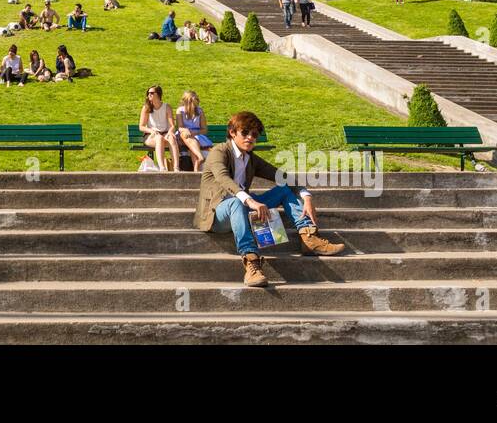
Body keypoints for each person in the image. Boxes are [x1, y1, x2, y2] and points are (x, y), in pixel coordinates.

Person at [194, 110, 345, 287]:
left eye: (254, 134)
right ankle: (251, 262)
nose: (250, 137)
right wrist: (249, 200)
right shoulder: (219, 152)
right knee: (237, 202)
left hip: (245, 208)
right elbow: (223, 178)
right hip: (217, 213)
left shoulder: (250, 158)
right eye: (245, 133)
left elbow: (281, 176)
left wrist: (306, 195)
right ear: (232, 132)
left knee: (283, 190)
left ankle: (309, 237)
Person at [139, 85, 180, 171]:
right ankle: (162, 168)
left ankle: (176, 167)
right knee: (159, 138)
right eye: (148, 93)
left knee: (172, 138)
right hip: (150, 136)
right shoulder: (146, 107)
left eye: (151, 93)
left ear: (158, 94)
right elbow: (141, 127)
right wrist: (151, 130)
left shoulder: (166, 107)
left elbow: (172, 125)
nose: (148, 95)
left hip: (164, 134)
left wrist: (170, 132)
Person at [175, 90, 211, 171]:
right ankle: (200, 157)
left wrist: (194, 132)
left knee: (191, 142)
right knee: (185, 135)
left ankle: (196, 169)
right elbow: (180, 127)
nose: (195, 103)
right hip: (183, 135)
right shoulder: (180, 110)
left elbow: (204, 130)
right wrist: (186, 131)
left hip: (197, 135)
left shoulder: (200, 111)